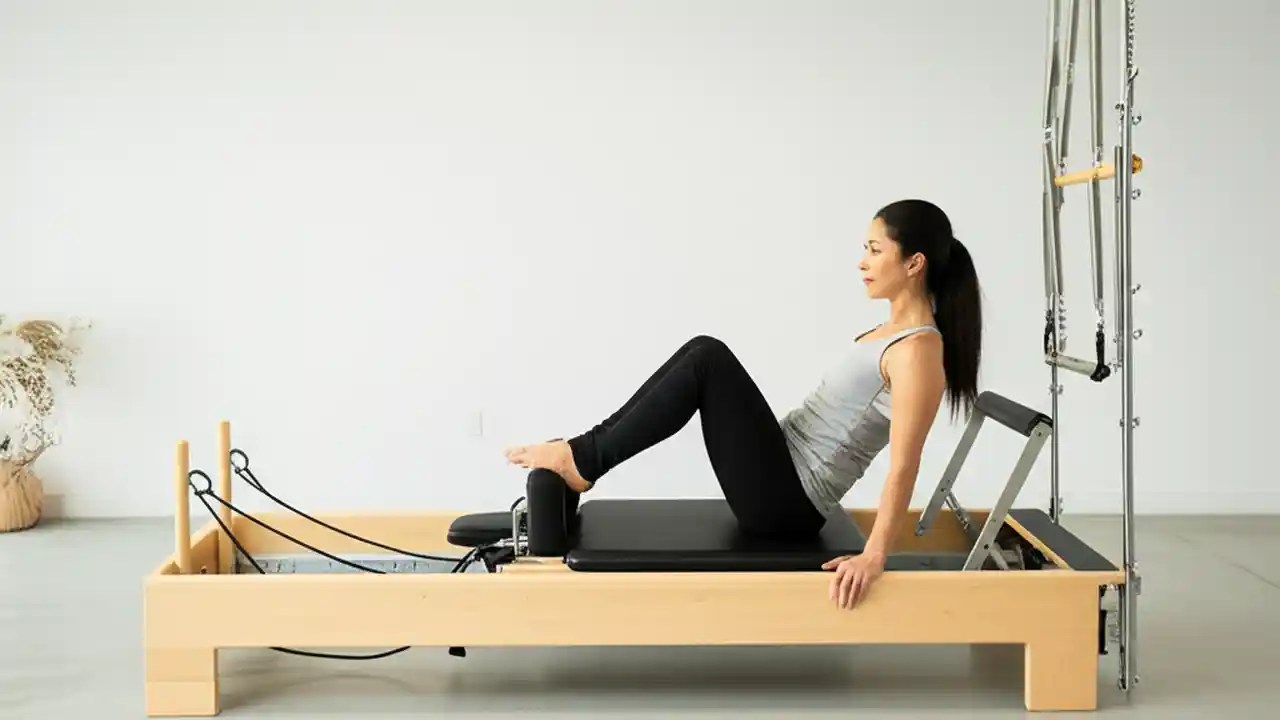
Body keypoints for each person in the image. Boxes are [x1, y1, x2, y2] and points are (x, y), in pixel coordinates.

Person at [504, 198, 982, 611]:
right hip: (784, 471)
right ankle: (583, 455)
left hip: (789, 503)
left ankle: (582, 458)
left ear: (914, 263)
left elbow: (905, 465)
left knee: (706, 358)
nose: (862, 262)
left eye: (875, 250)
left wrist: (874, 555)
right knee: (702, 354)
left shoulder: (918, 352)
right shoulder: (893, 334)